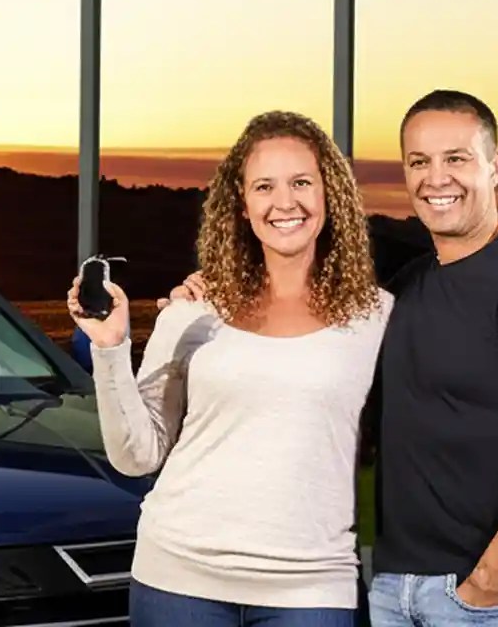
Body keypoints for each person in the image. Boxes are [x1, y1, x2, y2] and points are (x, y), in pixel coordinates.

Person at [164, 90, 498, 626]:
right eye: (419, 162)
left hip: (492, 596)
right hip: (396, 590)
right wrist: (207, 300)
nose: (436, 178)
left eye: (456, 158)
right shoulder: (404, 290)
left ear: (495, 167)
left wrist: (488, 582)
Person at [68, 110, 393, 626]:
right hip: (177, 577)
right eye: (264, 186)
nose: (284, 202)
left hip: (311, 584)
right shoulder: (193, 311)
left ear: (330, 193)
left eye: (301, 182)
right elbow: (136, 455)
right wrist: (111, 348)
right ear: (242, 205)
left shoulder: (377, 317)